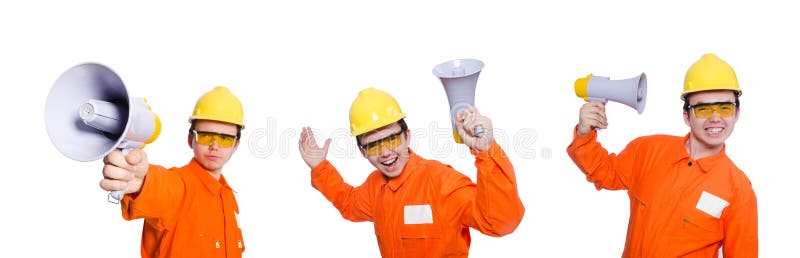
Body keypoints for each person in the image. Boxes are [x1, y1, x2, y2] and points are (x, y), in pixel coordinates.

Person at [567, 54, 758, 257]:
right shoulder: (647, 150)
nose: (715, 118)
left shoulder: (738, 189)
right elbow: (602, 172)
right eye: (703, 109)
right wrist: (585, 134)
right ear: (687, 116)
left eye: (725, 108)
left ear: (736, 114)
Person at [299, 87, 525, 258]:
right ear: (362, 152)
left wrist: (486, 152)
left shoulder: (441, 182)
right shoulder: (374, 187)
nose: (386, 152)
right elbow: (348, 203)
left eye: (392, 138)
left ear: (407, 137)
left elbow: (500, 222)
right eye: (374, 145)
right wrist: (320, 167)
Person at [100, 86, 247, 258]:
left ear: (236, 145)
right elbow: (160, 186)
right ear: (191, 139)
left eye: (225, 139)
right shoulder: (179, 187)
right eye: (206, 136)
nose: (214, 146)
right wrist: (140, 180)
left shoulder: (229, 197)